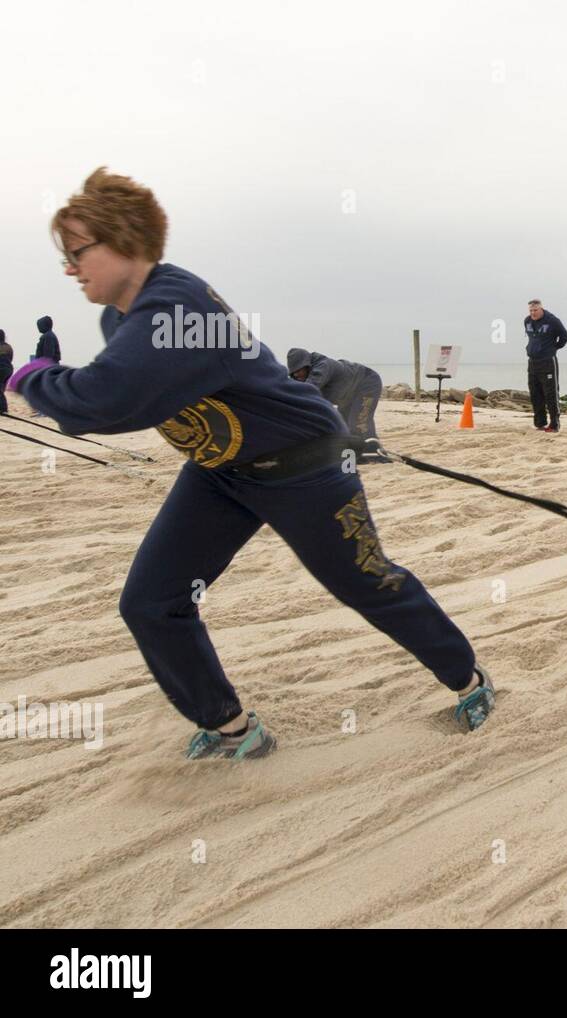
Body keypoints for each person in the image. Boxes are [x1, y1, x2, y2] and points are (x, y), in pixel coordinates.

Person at [7, 167, 495, 757]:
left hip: (307, 467)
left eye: (77, 251)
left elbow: (104, 399)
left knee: (369, 584)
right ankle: (231, 727)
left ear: (126, 242)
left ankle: (468, 679)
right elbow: (120, 401)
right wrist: (53, 386)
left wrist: (29, 375)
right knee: (151, 602)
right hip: (220, 472)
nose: (69, 268)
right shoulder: (123, 317)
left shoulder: (176, 307)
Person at [286, 348, 387, 459]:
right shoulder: (301, 378)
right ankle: (357, 455)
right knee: (343, 427)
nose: (296, 374)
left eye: (299, 370)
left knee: (359, 423)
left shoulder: (323, 366)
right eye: (293, 372)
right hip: (347, 396)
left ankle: (377, 455)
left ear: (307, 365)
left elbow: (306, 391)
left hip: (367, 383)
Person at [524, 298, 567, 433]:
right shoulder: (527, 321)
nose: (533, 313)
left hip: (548, 362)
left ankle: (554, 424)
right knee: (535, 393)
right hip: (532, 362)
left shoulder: (552, 320)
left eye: (535, 310)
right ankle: (540, 423)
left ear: (541, 309)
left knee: (550, 394)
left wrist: (553, 348)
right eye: (531, 310)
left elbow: (565, 336)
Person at [0, 330, 13, 414]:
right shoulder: (8, 347)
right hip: (9, 369)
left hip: (1, 369)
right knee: (1, 389)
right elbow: (10, 358)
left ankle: (4, 409)